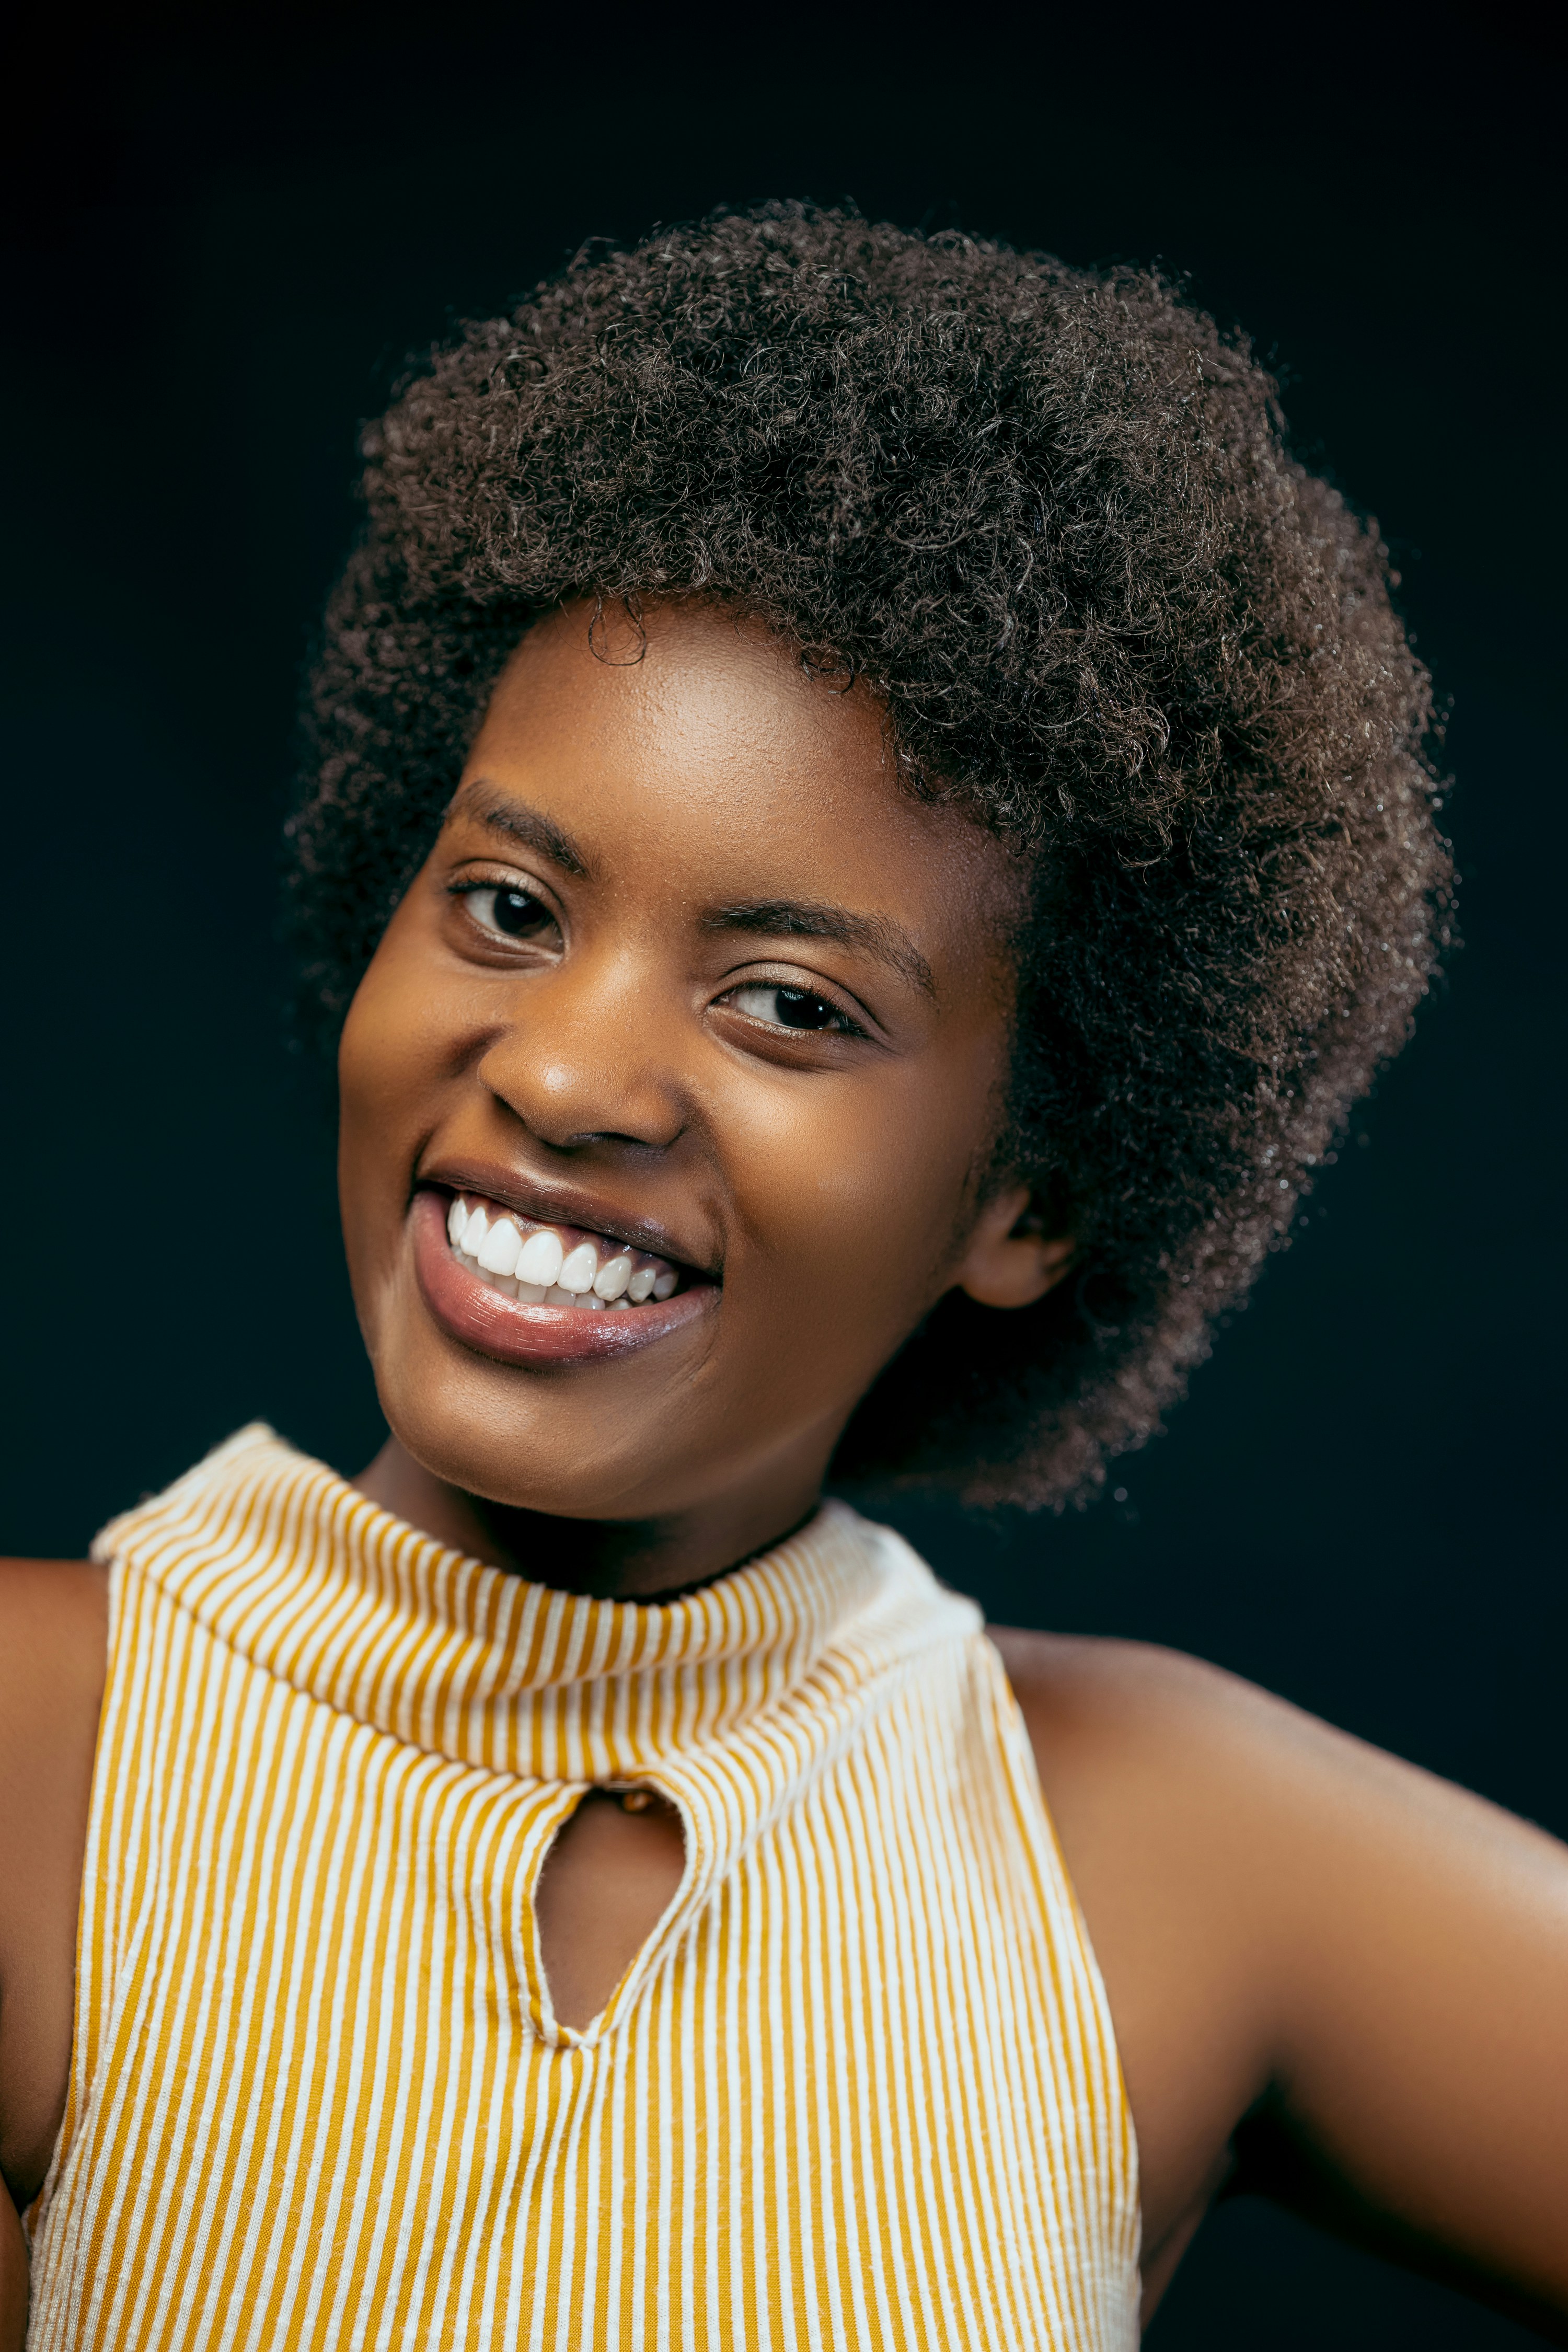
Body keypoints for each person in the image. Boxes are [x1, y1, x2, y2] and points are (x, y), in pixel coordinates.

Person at [2, 204, 1563, 2350]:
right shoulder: (31, 1756)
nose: (559, 1070)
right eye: (510, 907)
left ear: (1036, 1196)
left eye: (789, 1006)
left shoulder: (1160, 1850)